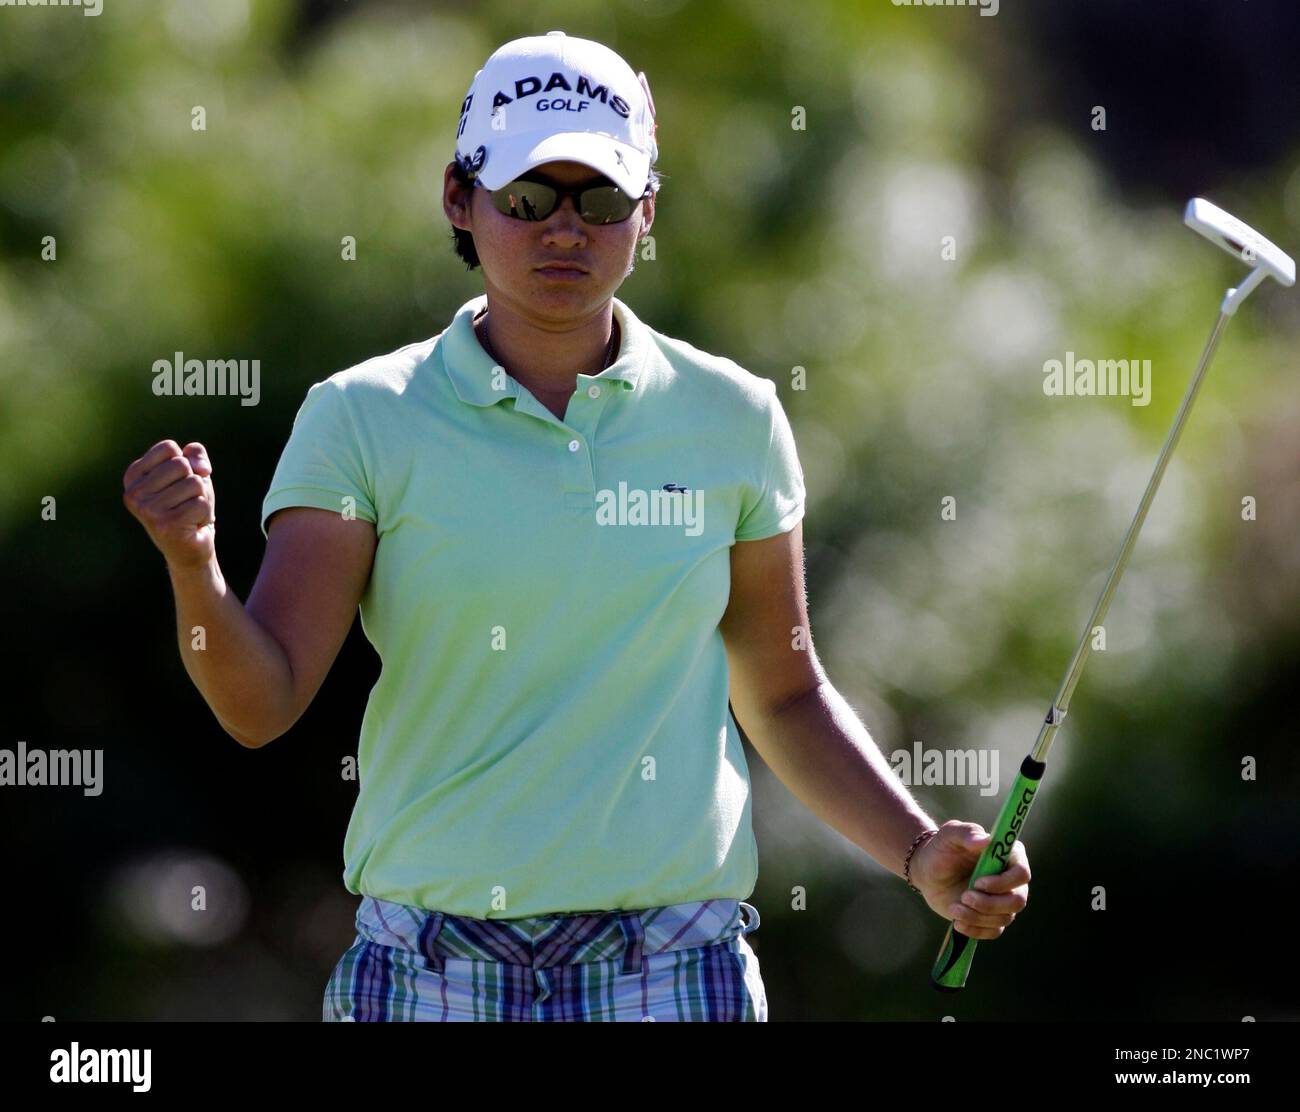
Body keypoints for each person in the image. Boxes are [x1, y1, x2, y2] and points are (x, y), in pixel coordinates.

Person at [121, 31, 1029, 1022]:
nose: (564, 229)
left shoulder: (734, 417)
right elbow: (261, 703)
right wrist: (193, 564)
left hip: (674, 969)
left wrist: (917, 851)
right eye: (526, 198)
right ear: (459, 198)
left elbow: (783, 692)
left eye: (600, 200)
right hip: (431, 971)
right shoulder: (363, 416)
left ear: (646, 212)